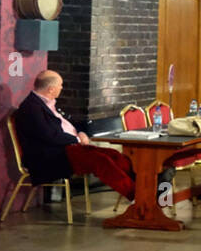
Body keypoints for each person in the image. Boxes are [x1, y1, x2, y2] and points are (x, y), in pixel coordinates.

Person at [14, 70, 136, 200]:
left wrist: (80, 133)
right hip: (52, 156)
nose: (62, 88)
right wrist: (76, 139)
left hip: (69, 147)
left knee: (114, 155)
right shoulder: (31, 108)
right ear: (51, 89)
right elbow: (49, 136)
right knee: (102, 161)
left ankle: (144, 190)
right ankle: (136, 197)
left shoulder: (48, 104)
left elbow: (68, 123)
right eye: (60, 85)